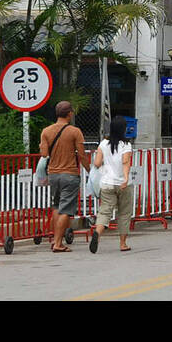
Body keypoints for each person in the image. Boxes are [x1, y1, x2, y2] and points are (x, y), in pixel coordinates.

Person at [40, 101, 87, 252]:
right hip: (70, 174)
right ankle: (58, 243)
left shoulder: (46, 131)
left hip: (53, 174)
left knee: (56, 206)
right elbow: (81, 155)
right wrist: (90, 170)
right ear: (70, 114)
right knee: (66, 209)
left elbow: (44, 154)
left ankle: (56, 239)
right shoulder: (75, 131)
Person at [90, 116, 134, 253]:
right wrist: (125, 178)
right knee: (124, 213)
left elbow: (97, 163)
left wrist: (106, 163)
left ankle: (97, 232)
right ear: (123, 129)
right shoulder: (126, 145)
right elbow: (125, 162)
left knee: (105, 211)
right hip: (123, 184)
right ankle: (123, 243)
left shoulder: (103, 144)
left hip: (107, 183)